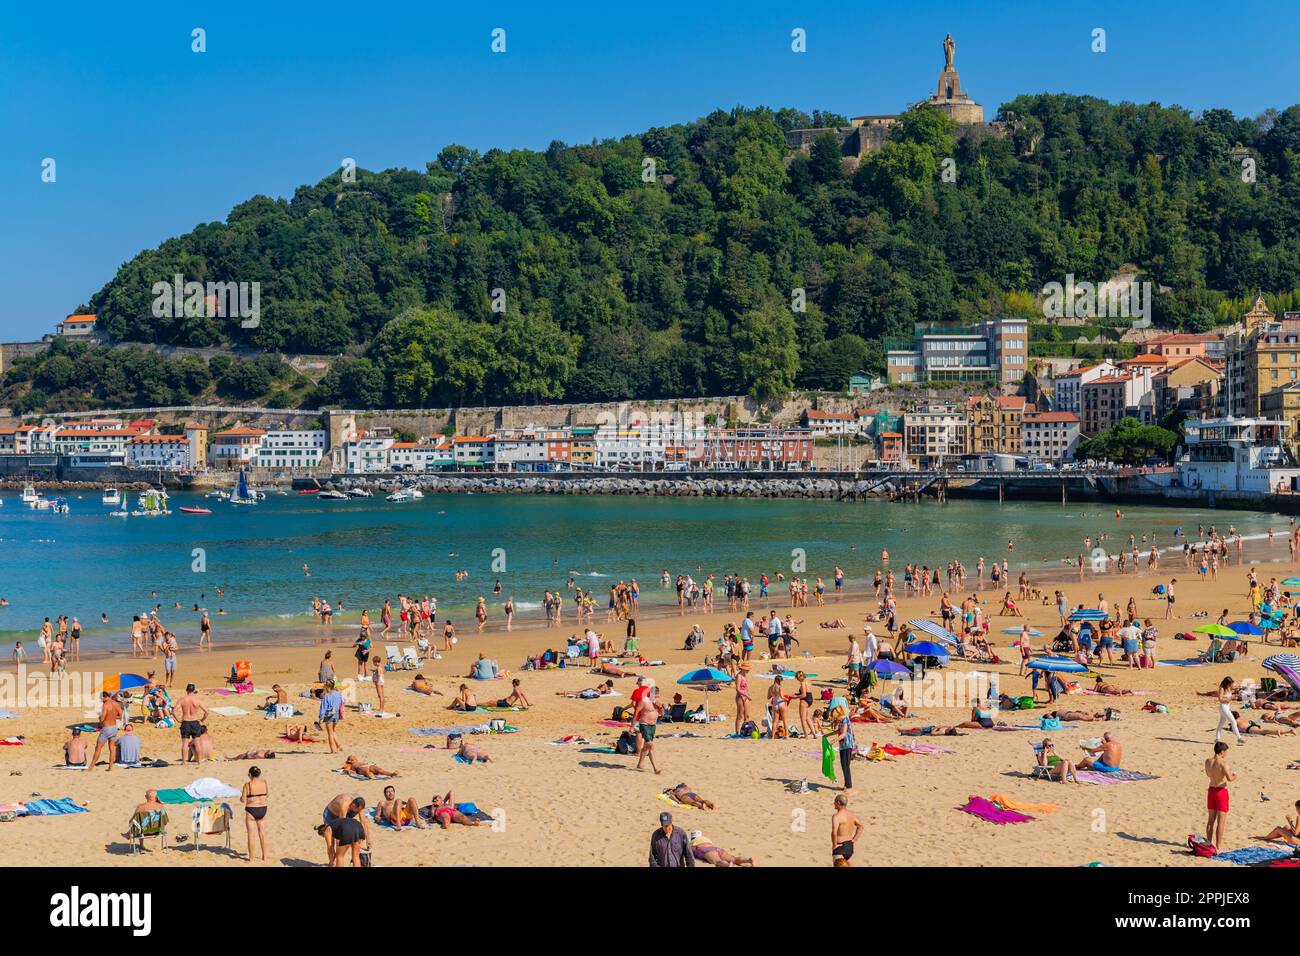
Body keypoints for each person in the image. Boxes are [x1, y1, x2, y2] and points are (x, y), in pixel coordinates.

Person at [1205, 741, 1235, 850]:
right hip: (1221, 792)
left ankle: (1208, 844)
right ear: (1222, 752)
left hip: (1211, 790)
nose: (1226, 754)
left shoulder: (1208, 761)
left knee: (1210, 820)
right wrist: (1235, 775)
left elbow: (1208, 774)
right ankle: (1218, 847)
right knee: (1221, 822)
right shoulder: (1223, 763)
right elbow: (1229, 778)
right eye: (1226, 752)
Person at [240, 766, 269, 863]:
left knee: (251, 835)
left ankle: (251, 859)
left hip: (251, 810)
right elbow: (267, 795)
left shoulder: (247, 785)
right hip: (263, 809)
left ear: (250, 775)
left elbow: (243, 800)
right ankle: (265, 857)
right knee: (263, 833)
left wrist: (242, 797)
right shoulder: (264, 783)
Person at [90, 691, 122, 771]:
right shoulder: (116, 704)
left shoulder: (105, 705)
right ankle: (110, 767)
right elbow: (121, 715)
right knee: (112, 748)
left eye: (101, 699)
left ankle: (91, 767)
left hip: (106, 728)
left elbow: (103, 718)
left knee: (98, 748)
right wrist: (113, 717)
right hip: (114, 727)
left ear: (104, 697)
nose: (101, 700)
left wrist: (100, 718)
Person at [828, 705, 856, 791]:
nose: (835, 719)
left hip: (847, 745)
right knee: (844, 765)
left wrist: (834, 740)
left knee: (845, 766)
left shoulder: (845, 720)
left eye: (835, 717)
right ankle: (846, 784)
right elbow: (839, 731)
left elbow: (843, 733)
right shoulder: (841, 721)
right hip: (843, 745)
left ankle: (849, 786)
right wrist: (828, 735)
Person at [634, 683, 661, 774]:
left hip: (653, 725)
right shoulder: (644, 701)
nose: (657, 696)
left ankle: (640, 764)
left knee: (646, 746)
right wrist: (632, 725)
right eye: (656, 695)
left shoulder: (657, 702)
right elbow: (636, 712)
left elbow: (662, 714)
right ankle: (655, 768)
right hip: (644, 724)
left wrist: (660, 706)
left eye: (658, 695)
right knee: (650, 745)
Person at [689, 829, 754, 866]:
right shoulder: (706, 839)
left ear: (692, 837)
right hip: (717, 849)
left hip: (706, 850)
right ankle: (748, 860)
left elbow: (689, 851)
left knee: (717, 861)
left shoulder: (692, 842)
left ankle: (727, 865)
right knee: (734, 859)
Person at [831, 794, 863, 866]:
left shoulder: (836, 816)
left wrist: (834, 845)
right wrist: (854, 840)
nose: (834, 804)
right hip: (849, 847)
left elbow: (834, 833)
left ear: (838, 803)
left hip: (840, 847)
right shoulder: (851, 814)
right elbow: (861, 826)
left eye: (834, 802)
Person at [1215, 676, 1244, 745]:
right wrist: (1231, 699)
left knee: (1221, 724)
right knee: (1233, 721)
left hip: (1227, 707)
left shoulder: (1229, 688)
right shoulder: (1222, 688)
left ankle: (1217, 738)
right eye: (1230, 684)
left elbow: (1233, 692)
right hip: (1223, 707)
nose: (1231, 685)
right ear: (1227, 683)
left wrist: (1236, 694)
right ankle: (1239, 738)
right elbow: (1220, 699)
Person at [319, 679, 345, 753]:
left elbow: (323, 707)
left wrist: (321, 717)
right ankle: (338, 745)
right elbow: (342, 702)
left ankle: (333, 750)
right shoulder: (338, 694)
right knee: (333, 731)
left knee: (330, 733)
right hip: (336, 713)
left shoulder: (326, 696)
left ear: (326, 686)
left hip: (329, 714)